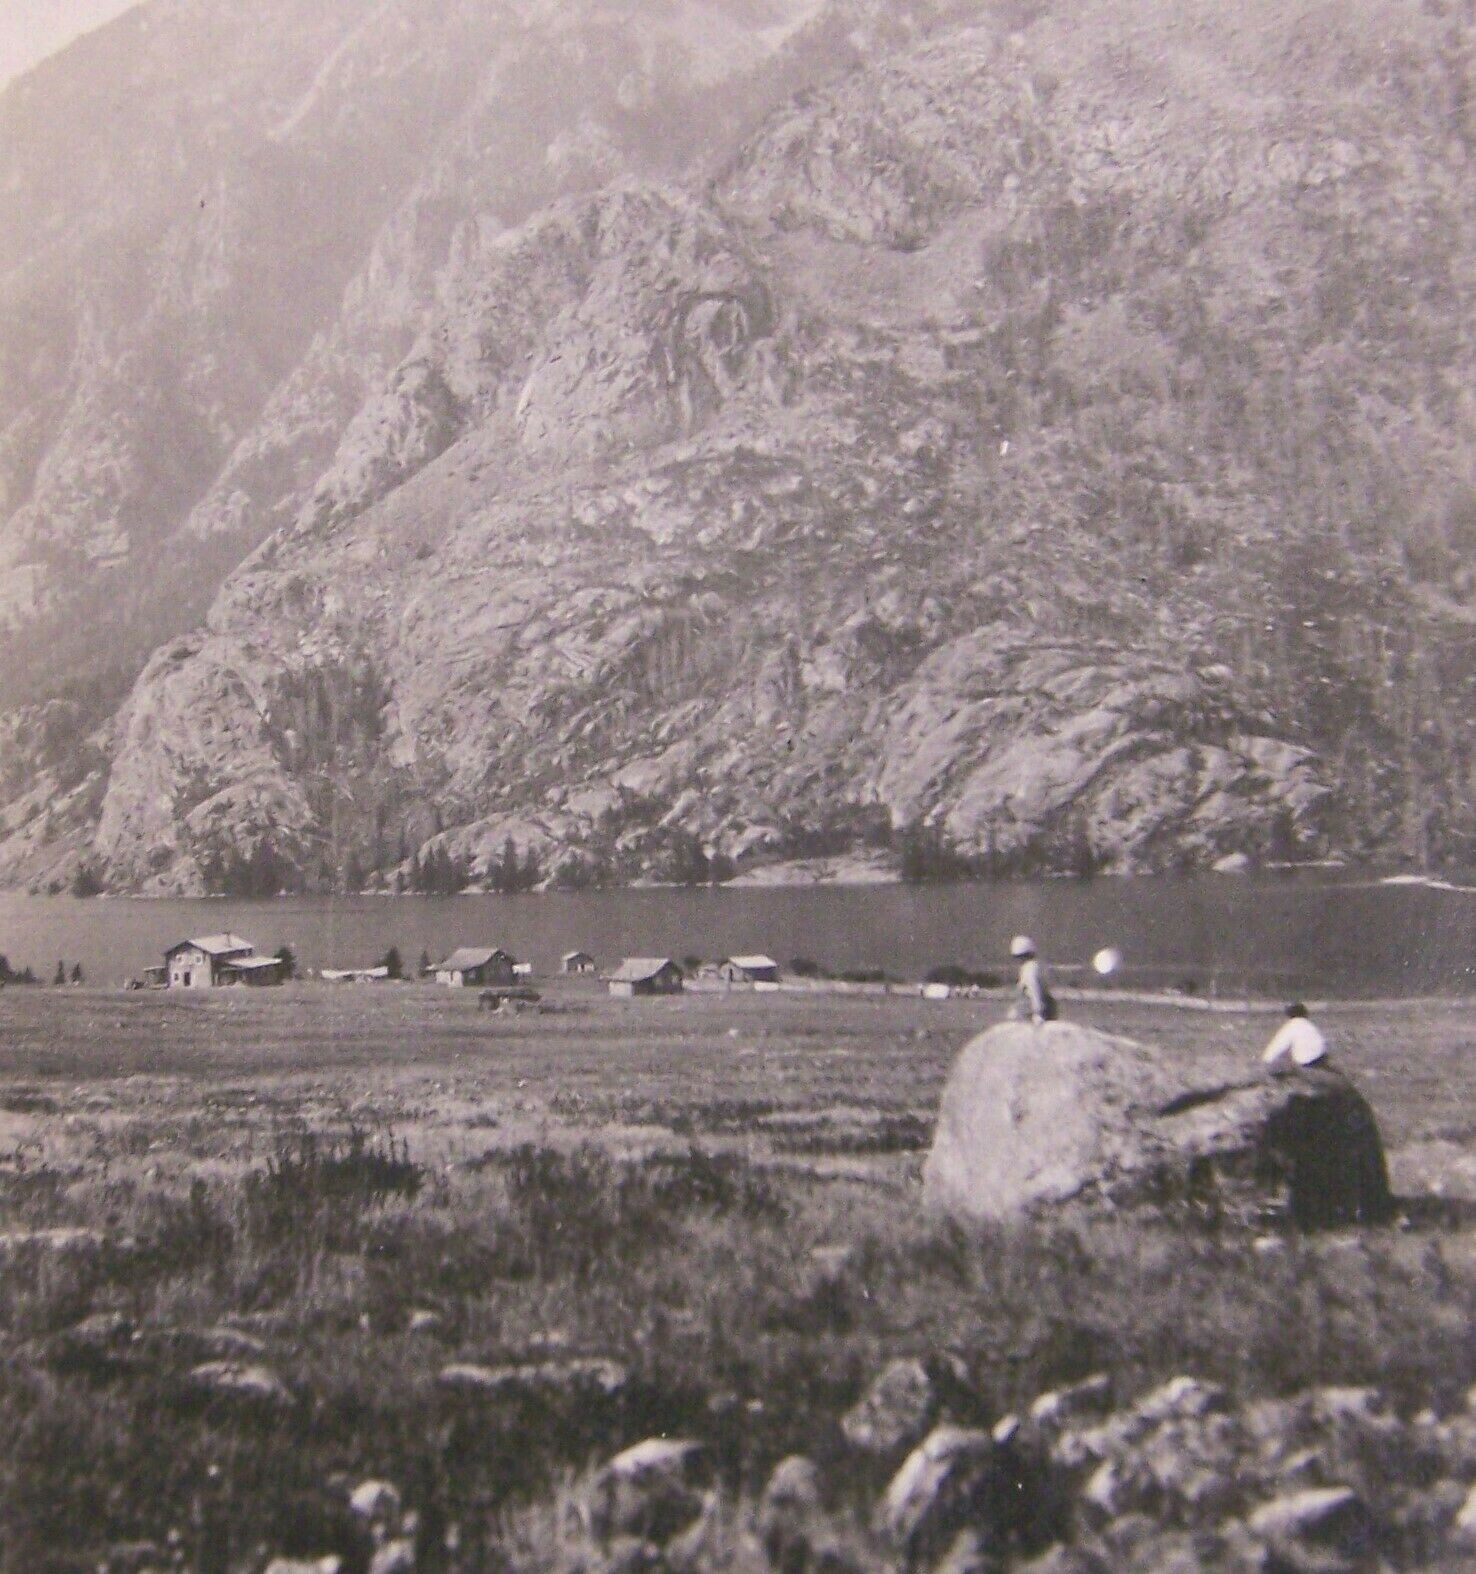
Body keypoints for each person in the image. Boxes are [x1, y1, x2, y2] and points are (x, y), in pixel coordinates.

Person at [1261, 1002, 1329, 1073]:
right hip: (1321, 1057)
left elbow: (1279, 1044)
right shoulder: (1309, 1025)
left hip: (1305, 1061)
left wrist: (1267, 1058)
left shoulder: (1291, 1026)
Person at [1010, 935, 1056, 1023]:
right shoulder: (1038, 965)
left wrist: (1038, 1012)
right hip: (1048, 1006)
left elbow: (1034, 989)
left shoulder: (1029, 968)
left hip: (1032, 1009)